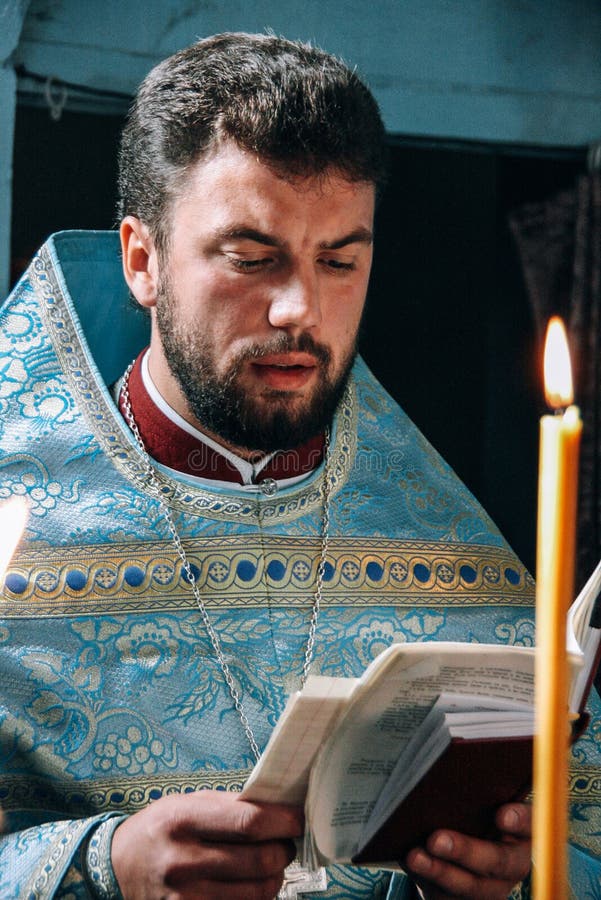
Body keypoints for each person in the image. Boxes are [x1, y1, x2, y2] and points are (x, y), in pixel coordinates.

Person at [0, 32, 598, 900]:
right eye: (251, 259)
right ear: (143, 260)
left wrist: (510, 875)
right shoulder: (15, 515)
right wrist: (104, 866)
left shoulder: (445, 548)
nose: (299, 309)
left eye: (339, 261)